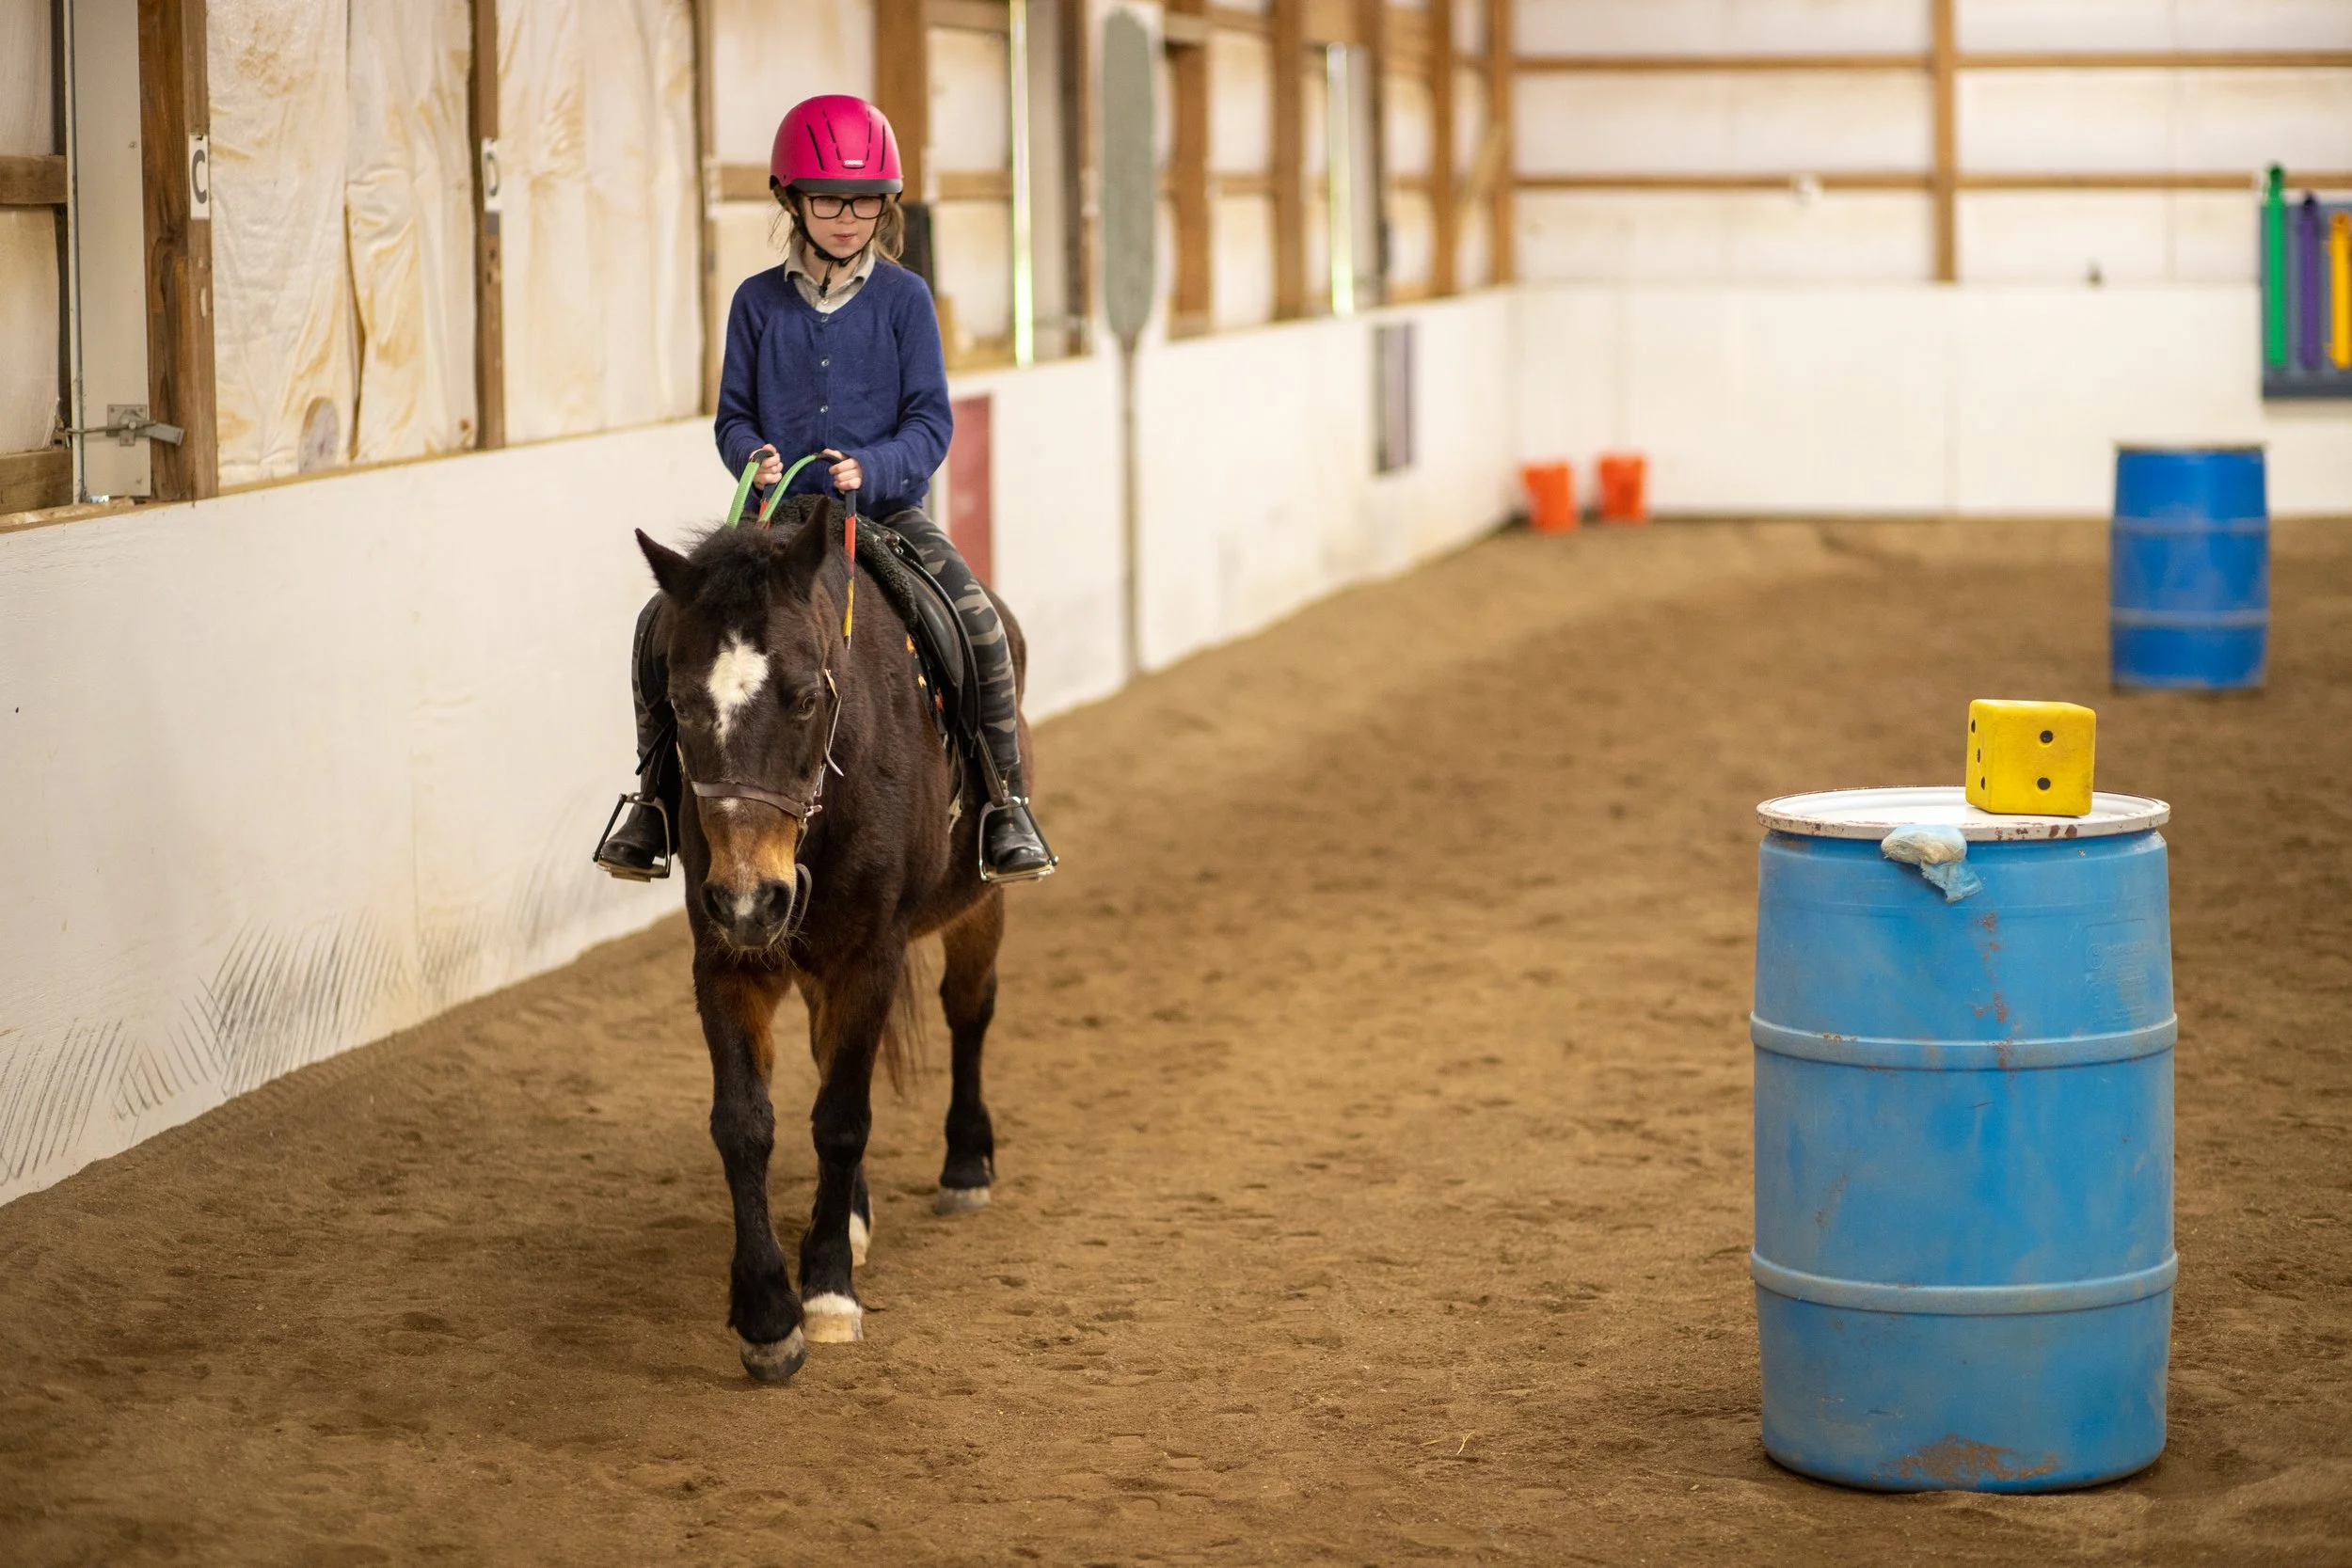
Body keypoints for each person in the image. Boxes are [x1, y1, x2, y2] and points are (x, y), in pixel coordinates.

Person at [596, 94, 1055, 884]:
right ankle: (654, 806)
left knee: (980, 625)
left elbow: (930, 423)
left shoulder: (905, 301)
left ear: (886, 205)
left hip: (885, 511)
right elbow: (732, 416)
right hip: (777, 523)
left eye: (866, 201)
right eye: (831, 199)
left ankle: (1004, 805)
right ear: (792, 201)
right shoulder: (755, 302)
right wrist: (753, 455)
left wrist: (873, 467)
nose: (849, 217)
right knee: (655, 628)